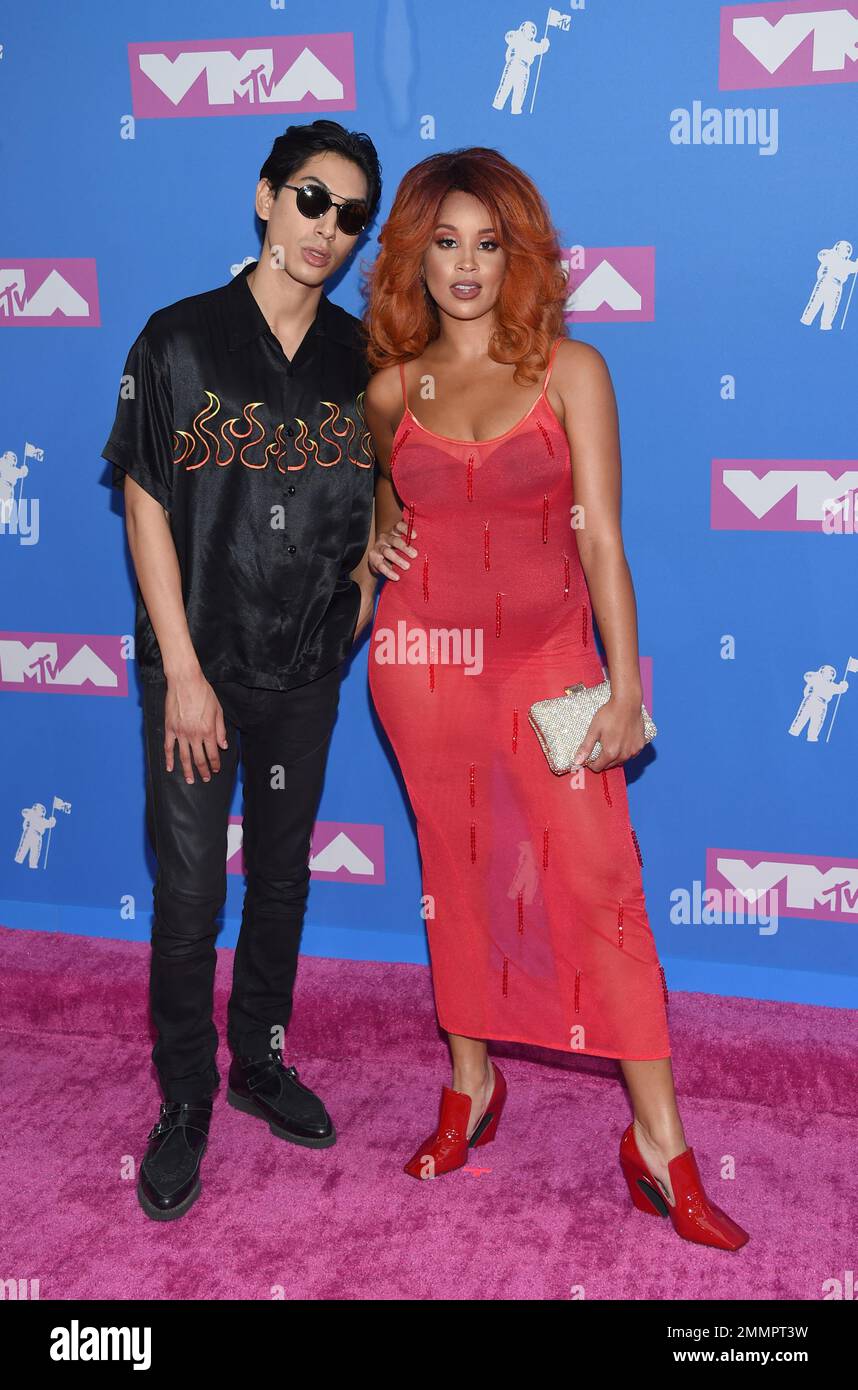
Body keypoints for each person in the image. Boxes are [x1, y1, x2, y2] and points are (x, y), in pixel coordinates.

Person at [361, 146, 749, 1250]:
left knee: (598, 882)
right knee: (460, 873)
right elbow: (384, 520)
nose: (467, 265)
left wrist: (625, 685)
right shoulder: (390, 390)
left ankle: (662, 1142)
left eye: (489, 243)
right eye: (445, 243)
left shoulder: (572, 371)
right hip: (424, 667)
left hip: (551, 664)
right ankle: (469, 1087)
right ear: (415, 258)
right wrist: (373, 537)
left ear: (521, 256)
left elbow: (605, 542)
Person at [101, 119, 381, 1221]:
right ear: (265, 198)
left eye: (351, 215)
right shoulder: (177, 340)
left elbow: (395, 500)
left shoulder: (369, 361)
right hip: (197, 669)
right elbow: (145, 500)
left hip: (305, 672)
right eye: (312, 199)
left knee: (280, 879)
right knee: (189, 891)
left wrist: (358, 599)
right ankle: (184, 1099)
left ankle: (260, 1058)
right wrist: (182, 667)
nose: (328, 229)